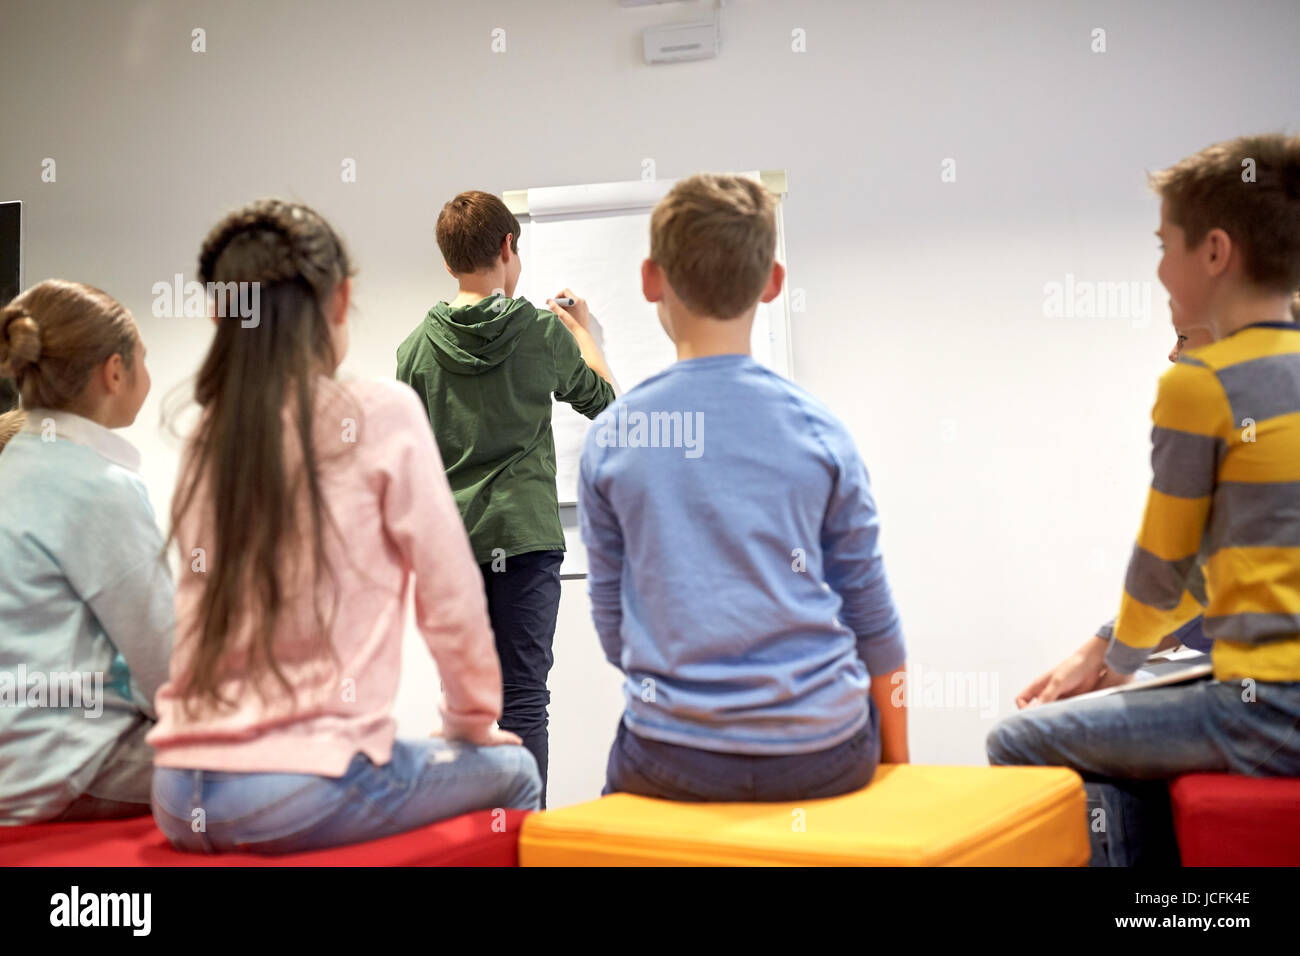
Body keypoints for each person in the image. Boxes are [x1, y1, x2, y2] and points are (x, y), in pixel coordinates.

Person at [148, 199, 540, 854]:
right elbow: (451, 597)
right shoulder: (378, 411)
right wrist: (472, 722)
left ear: (223, 313)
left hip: (176, 787)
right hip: (294, 789)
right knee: (516, 771)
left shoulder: (205, 436)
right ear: (341, 300)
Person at [988, 133, 1300, 866]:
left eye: (1167, 246)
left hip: (1268, 712)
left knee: (1015, 739)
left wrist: (1117, 663)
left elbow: (1167, 563)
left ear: (1216, 252)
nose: (1160, 269)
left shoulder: (1202, 385)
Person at [581, 173, 909, 802]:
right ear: (773, 282)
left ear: (651, 279)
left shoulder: (616, 438)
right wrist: (896, 772)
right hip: (826, 754)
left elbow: (612, 627)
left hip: (672, 758)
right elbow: (875, 625)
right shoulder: (821, 434)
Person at [396, 190, 615, 806]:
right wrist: (580, 328)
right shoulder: (543, 332)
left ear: (447, 262)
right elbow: (604, 401)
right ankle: (526, 838)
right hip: (524, 540)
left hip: (453, 551)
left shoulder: (413, 352)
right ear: (507, 246)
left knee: (464, 706)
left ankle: (474, 843)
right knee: (524, 701)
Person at [0, 279, 171, 824]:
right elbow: (168, 671)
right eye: (143, 359)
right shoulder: (97, 486)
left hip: (21, 758)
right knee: (290, 759)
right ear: (114, 371)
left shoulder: (16, 465)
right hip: (69, 767)